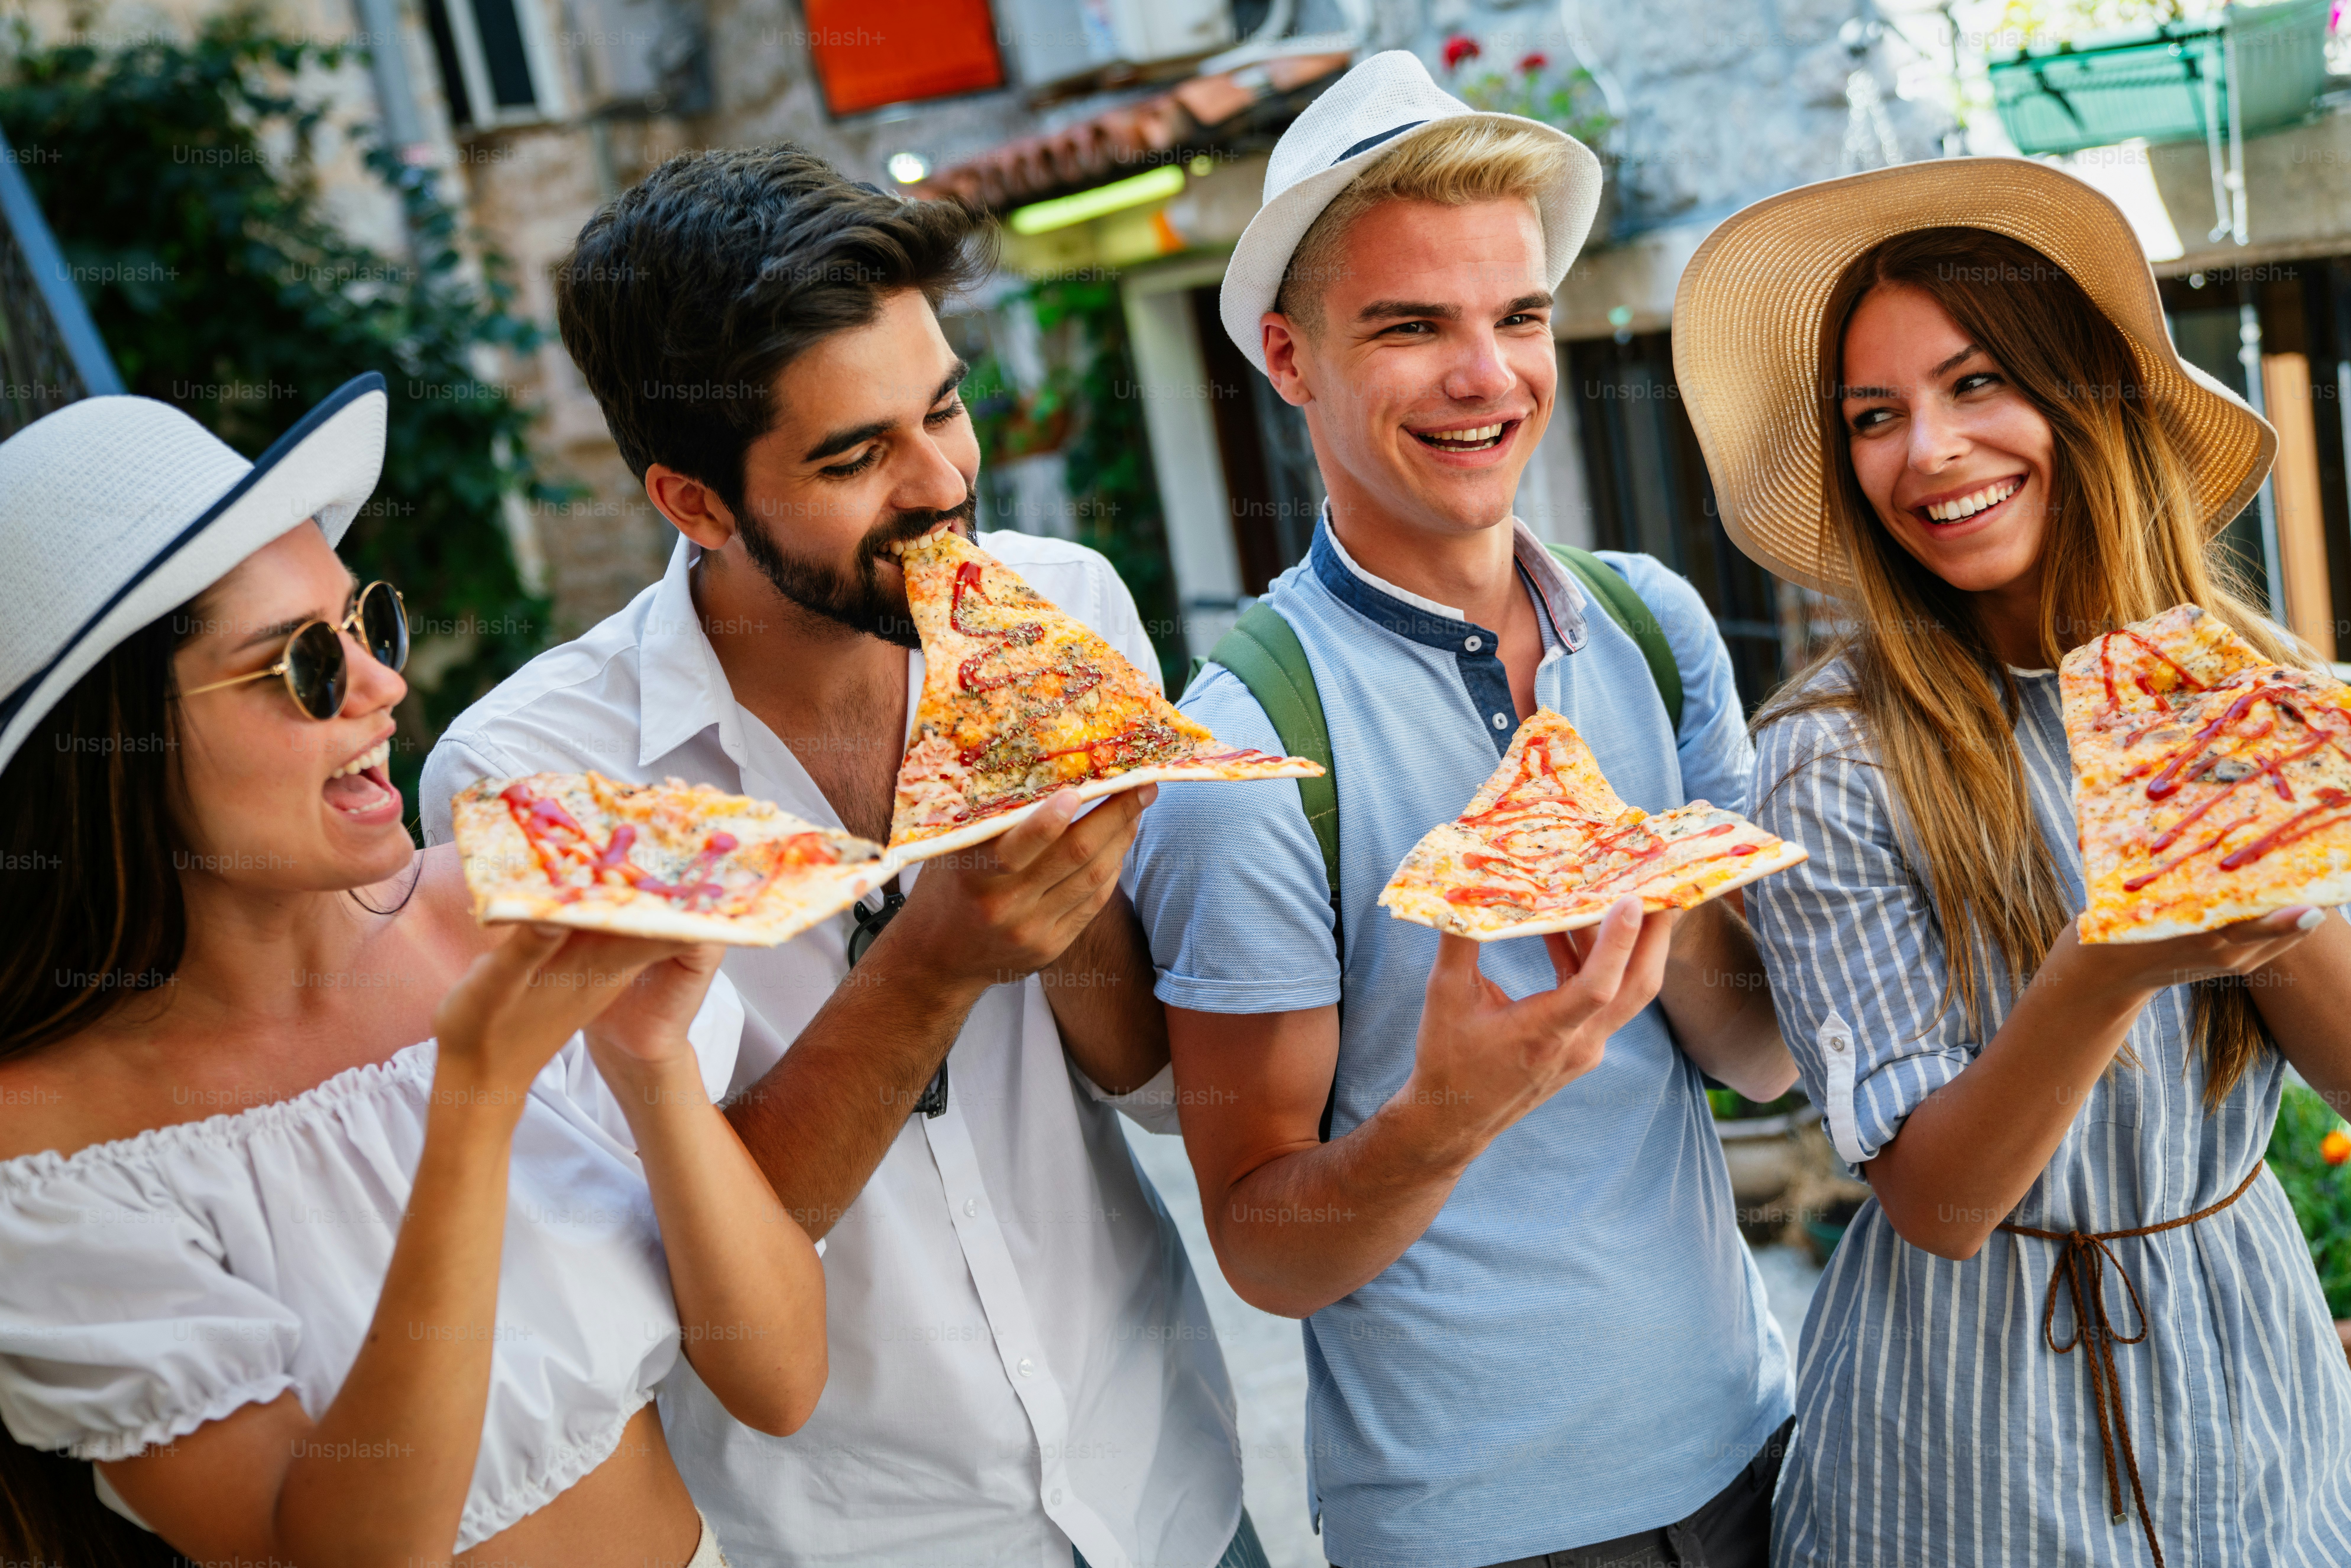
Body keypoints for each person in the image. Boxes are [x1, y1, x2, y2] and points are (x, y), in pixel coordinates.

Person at [418, 146, 1260, 1568]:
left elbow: (1147, 1080)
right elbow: (677, 1272)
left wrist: (1065, 872)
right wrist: (934, 963)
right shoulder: (532, 786)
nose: (944, 484)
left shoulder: (1064, 604)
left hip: (1165, 1484)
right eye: (855, 456)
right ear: (691, 503)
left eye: (943, 408)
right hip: (854, 1536)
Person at [1123, 52, 1799, 1568]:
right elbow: (1262, 1251)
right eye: (1411, 326)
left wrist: (1629, 878)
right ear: (1289, 362)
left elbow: (1756, 1063)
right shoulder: (1243, 758)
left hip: (1753, 1439)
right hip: (1480, 1532)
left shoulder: (1649, 625)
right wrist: (1443, 1118)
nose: (1487, 375)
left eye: (1517, 317)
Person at [0, 376, 826, 1568]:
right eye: (301, 667)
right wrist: (473, 1102)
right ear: (114, 747)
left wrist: (648, 1068)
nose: (384, 687)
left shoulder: (501, 912)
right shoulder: (46, 1156)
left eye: (363, 627)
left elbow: (781, 1376)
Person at [1672, 158, 2351, 1564]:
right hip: (1965, 1418)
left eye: (1975, 383)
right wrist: (2108, 963)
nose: (1924, 452)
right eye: (1874, 415)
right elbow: (1934, 1199)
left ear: (2082, 397)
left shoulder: (2237, 690)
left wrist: (2239, 848)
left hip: (2246, 1362)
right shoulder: (1831, 753)